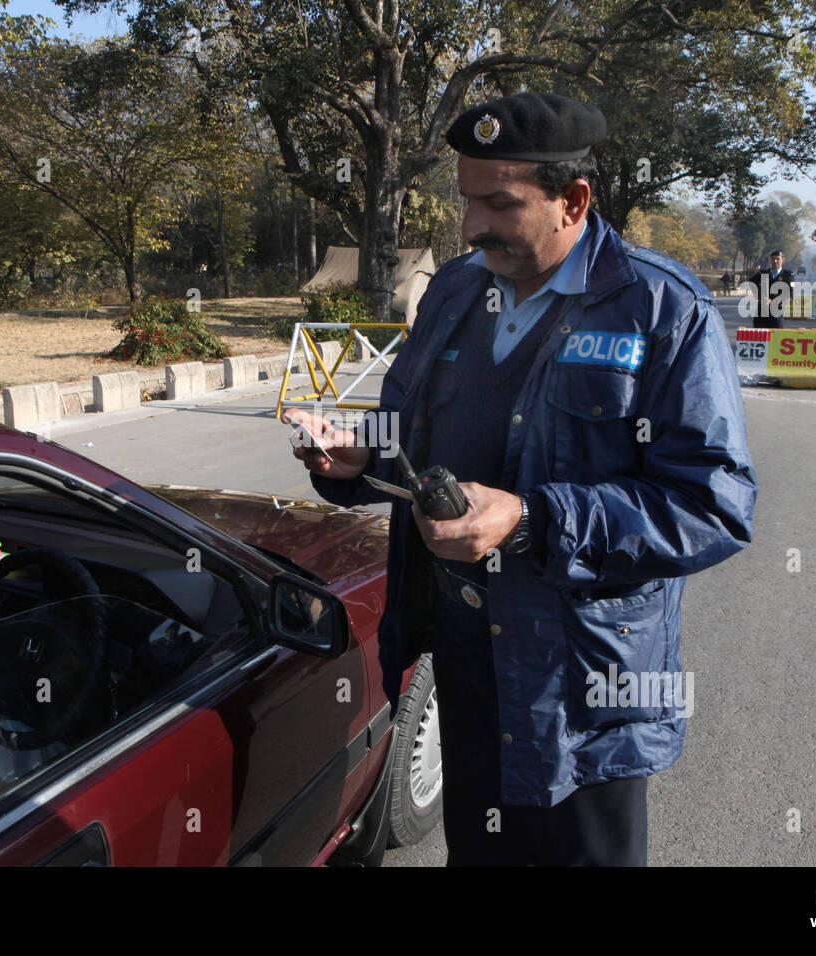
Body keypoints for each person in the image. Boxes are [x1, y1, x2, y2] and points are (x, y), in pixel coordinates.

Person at [285, 91, 756, 866]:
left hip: (585, 685)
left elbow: (715, 504)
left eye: (498, 204)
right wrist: (362, 459)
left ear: (574, 200)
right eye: (466, 201)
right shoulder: (456, 293)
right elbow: (411, 434)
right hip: (470, 663)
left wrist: (533, 518)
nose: (471, 228)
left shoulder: (662, 309)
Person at [746, 250, 795, 329]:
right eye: (773, 259)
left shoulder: (787, 275)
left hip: (776, 313)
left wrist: (773, 301)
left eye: (778, 259)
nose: (775, 261)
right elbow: (751, 282)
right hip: (761, 313)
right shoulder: (763, 273)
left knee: (776, 337)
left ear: (783, 259)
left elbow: (790, 295)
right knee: (759, 337)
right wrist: (758, 295)